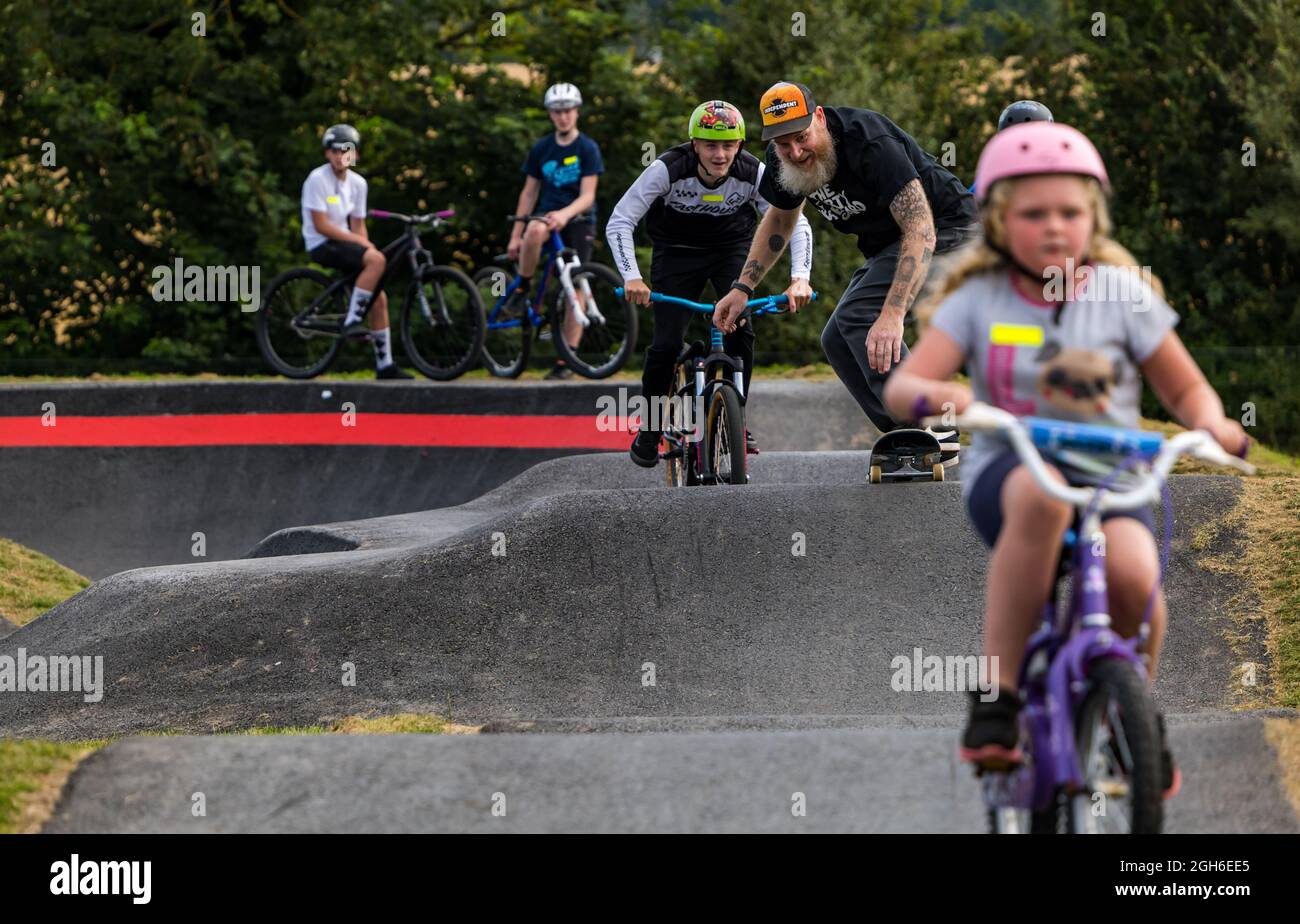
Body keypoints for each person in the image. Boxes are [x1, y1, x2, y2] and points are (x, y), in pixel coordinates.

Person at [881, 122, 1251, 799]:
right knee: (1043, 499)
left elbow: (1185, 386)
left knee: (1136, 574)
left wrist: (1213, 424)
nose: (1054, 227)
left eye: (1070, 212)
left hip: (1115, 473)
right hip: (1012, 469)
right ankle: (999, 697)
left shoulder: (1125, 295)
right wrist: (937, 392)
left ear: (1094, 218)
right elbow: (904, 385)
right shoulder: (977, 299)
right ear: (997, 221)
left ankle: (1131, 709)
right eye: (1033, 214)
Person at [712, 81, 981, 457]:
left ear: (819, 117)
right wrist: (742, 287)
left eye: (802, 138)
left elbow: (921, 230)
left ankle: (931, 425)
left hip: (948, 232)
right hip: (890, 245)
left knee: (861, 315)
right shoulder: (783, 158)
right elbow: (779, 222)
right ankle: (905, 435)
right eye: (783, 144)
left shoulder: (869, 142)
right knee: (836, 338)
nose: (796, 151)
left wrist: (892, 313)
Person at [606, 100, 815, 466]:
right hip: (676, 253)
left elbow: (795, 222)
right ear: (694, 144)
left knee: (741, 333)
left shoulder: (755, 172)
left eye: (729, 146)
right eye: (710, 145)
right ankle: (651, 427)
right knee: (667, 343)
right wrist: (632, 278)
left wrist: (800, 278)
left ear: (740, 145)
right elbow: (620, 220)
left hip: (732, 251)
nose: (720, 155)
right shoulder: (668, 168)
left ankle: (738, 416)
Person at [508, 83, 605, 380]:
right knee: (534, 232)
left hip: (578, 219)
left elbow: (588, 194)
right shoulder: (542, 149)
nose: (563, 117)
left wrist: (564, 215)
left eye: (568, 111)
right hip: (545, 217)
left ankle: (567, 359)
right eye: (557, 112)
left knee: (575, 284)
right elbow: (528, 192)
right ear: (551, 115)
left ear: (577, 112)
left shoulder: (587, 148)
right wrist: (516, 233)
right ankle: (523, 286)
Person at [300, 123, 412, 380]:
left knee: (379, 298)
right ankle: (352, 320)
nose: (340, 156)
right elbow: (321, 224)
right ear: (327, 153)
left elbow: (358, 225)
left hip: (344, 241)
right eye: (335, 151)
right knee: (375, 259)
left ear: (355, 154)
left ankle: (385, 365)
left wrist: (365, 246)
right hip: (321, 242)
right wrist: (363, 248)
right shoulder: (317, 180)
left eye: (346, 151)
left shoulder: (358, 184)